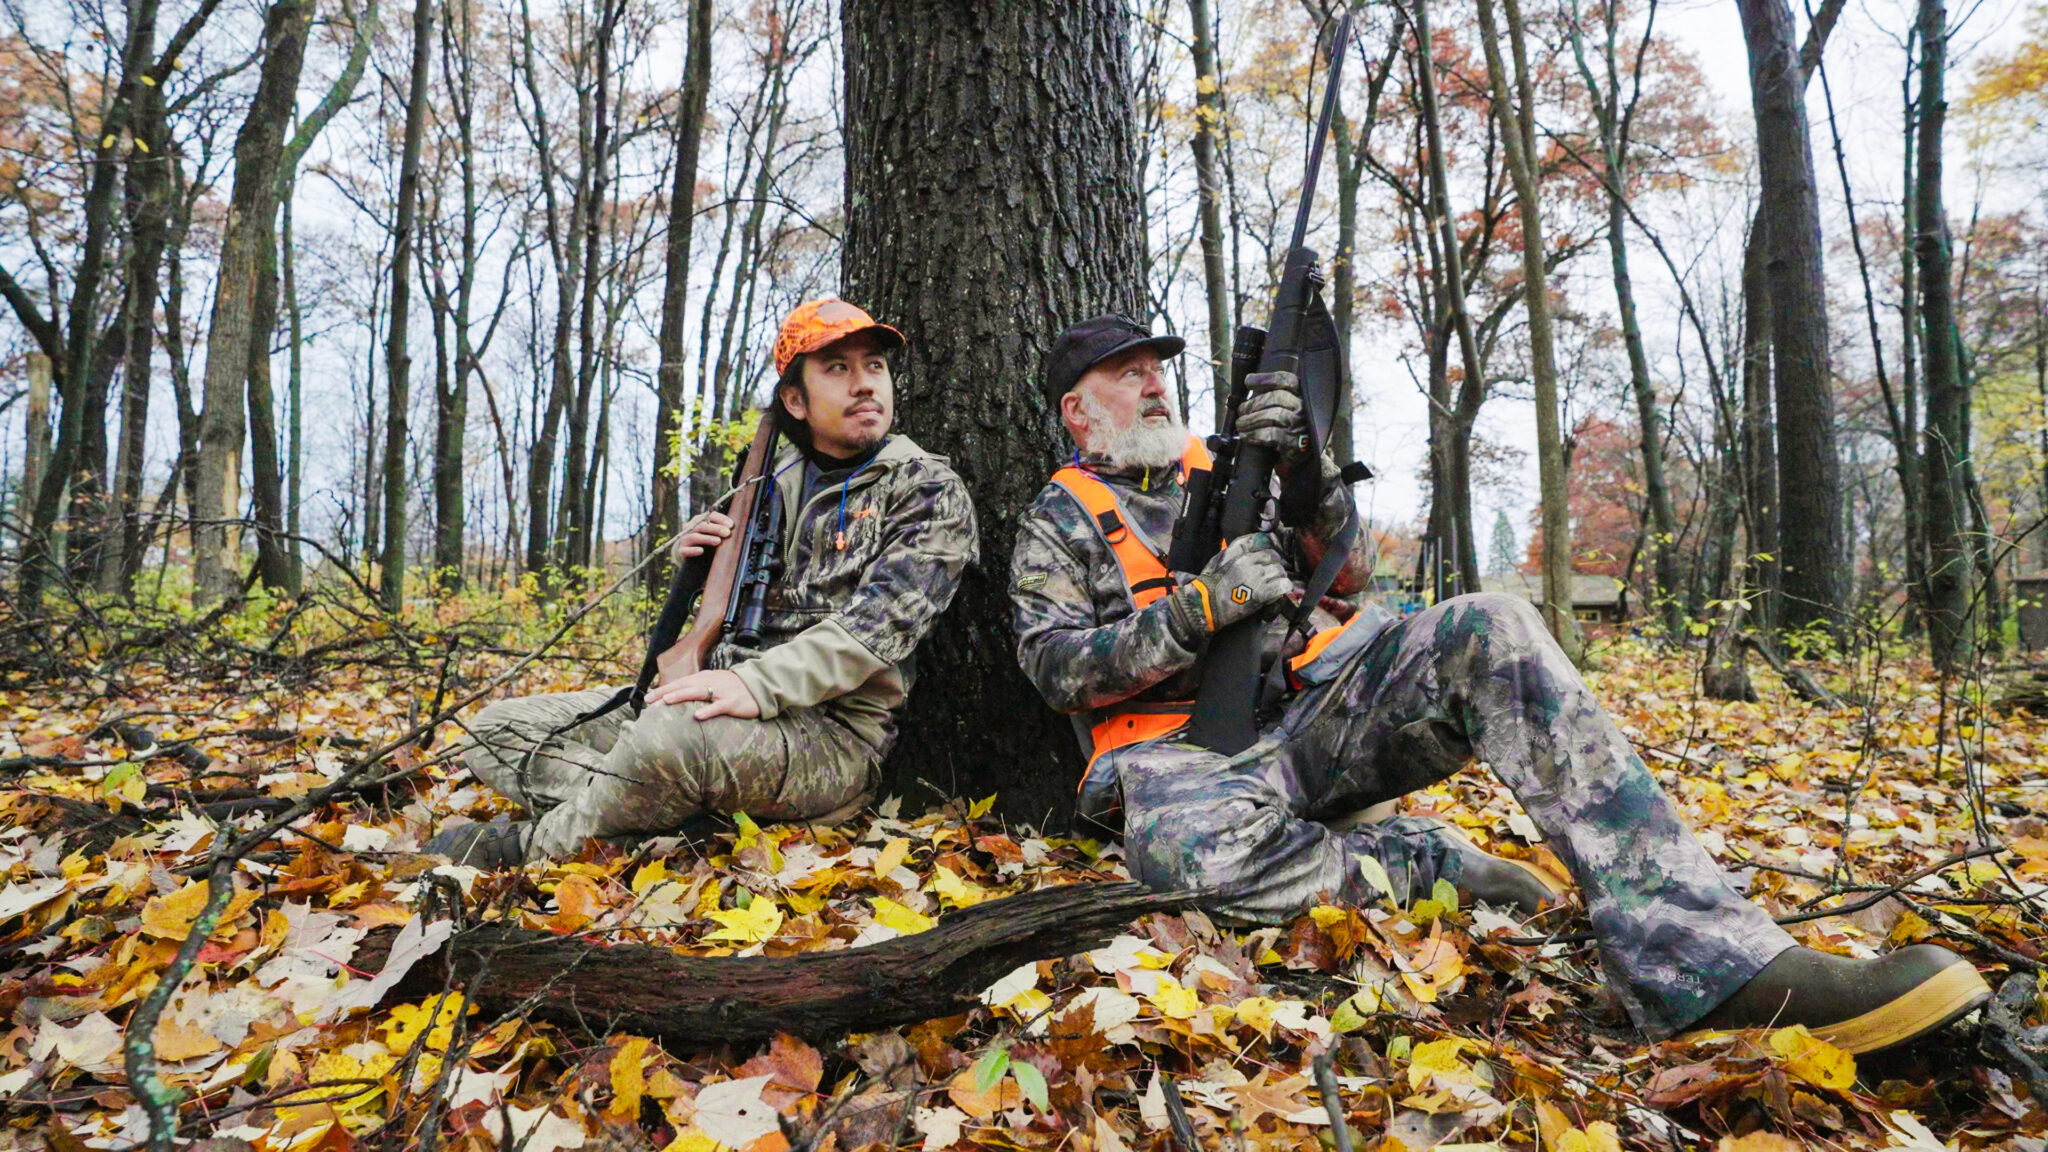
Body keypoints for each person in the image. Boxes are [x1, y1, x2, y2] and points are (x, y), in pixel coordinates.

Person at [1007, 313, 1990, 1053]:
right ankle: (1427, 867)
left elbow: (1342, 575)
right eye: (1123, 374)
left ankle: (1709, 962)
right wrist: (1193, 611)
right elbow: (1054, 669)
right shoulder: (1056, 523)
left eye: (1156, 371)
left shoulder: (1228, 468)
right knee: (1189, 866)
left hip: (1308, 723)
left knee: (1493, 622)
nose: (1149, 386)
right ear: (1074, 408)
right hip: (1173, 764)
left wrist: (1304, 474)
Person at [428, 298, 978, 866]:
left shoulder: (927, 489)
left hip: (829, 736)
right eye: (837, 369)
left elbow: (877, 632)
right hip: (707, 697)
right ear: (795, 399)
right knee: (497, 730)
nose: (865, 384)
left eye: (874, 366)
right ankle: (667, 810)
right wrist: (702, 562)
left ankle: (527, 847)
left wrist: (755, 686)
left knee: (667, 740)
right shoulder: (764, 483)